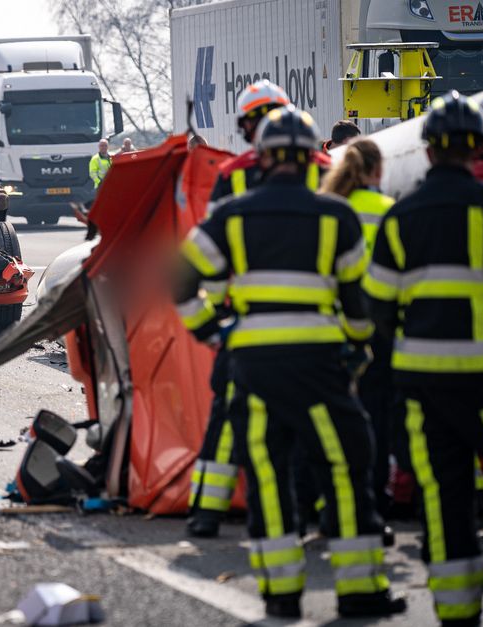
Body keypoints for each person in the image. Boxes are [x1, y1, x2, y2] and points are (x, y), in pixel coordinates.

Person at [176, 106, 405, 619]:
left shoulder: (230, 216)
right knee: (346, 468)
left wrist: (216, 333)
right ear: (311, 159)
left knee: (268, 477)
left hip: (252, 366)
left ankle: (281, 596)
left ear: (261, 160)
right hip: (320, 365)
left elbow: (181, 281)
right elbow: (357, 306)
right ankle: (360, 592)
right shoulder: (337, 216)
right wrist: (358, 349)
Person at [363, 91, 483, 626]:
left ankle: (458, 617)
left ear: (427, 151)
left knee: (445, 508)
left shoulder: (400, 218)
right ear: (480, 145)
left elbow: (378, 305)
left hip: (421, 387)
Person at [186, 80, 295, 538]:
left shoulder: (232, 175)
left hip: (246, 320)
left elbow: (210, 251)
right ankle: (323, 513)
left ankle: (208, 513)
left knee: (231, 417)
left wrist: (215, 322)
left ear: (248, 125)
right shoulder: (323, 167)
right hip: (317, 325)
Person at [320, 139, 397, 515]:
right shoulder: (388, 210)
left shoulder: (333, 208)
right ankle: (375, 496)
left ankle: (330, 497)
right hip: (378, 328)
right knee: (376, 416)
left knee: (332, 417)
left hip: (332, 326)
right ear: (377, 170)